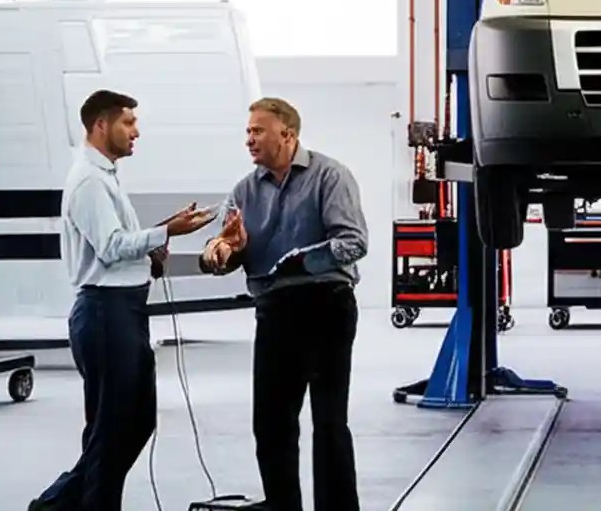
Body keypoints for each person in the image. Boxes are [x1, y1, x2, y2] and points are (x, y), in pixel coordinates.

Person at [30, 90, 218, 511]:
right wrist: (168, 233)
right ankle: (60, 506)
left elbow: (113, 246)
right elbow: (113, 246)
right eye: (128, 122)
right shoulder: (89, 181)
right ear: (101, 125)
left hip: (122, 312)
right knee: (112, 431)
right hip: (105, 314)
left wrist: (158, 237)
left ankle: (57, 506)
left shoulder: (106, 176)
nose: (136, 131)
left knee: (131, 424)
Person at [200, 97, 368, 511]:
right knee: (271, 424)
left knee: (328, 424)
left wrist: (301, 262)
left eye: (258, 131)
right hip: (275, 314)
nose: (249, 140)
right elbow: (225, 243)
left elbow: (354, 242)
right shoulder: (244, 190)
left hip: (326, 305)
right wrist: (220, 252)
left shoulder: (330, 176)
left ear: (287, 134)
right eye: (247, 131)